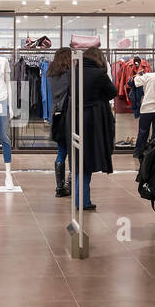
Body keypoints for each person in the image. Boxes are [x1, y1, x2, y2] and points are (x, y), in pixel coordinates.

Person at [52, 46, 117, 211]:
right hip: (92, 123)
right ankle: (82, 201)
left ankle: (82, 199)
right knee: (87, 162)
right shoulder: (99, 74)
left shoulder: (72, 73)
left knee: (78, 161)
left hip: (73, 120)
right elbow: (113, 92)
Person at [46, 47, 73, 198]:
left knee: (61, 151)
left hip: (56, 115)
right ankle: (69, 182)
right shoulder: (70, 74)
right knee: (74, 152)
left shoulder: (51, 74)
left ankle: (59, 186)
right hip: (69, 115)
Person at [132, 59, 155, 156]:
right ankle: (153, 153)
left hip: (146, 109)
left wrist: (138, 74)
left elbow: (135, 82)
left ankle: (138, 152)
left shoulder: (148, 75)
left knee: (143, 132)